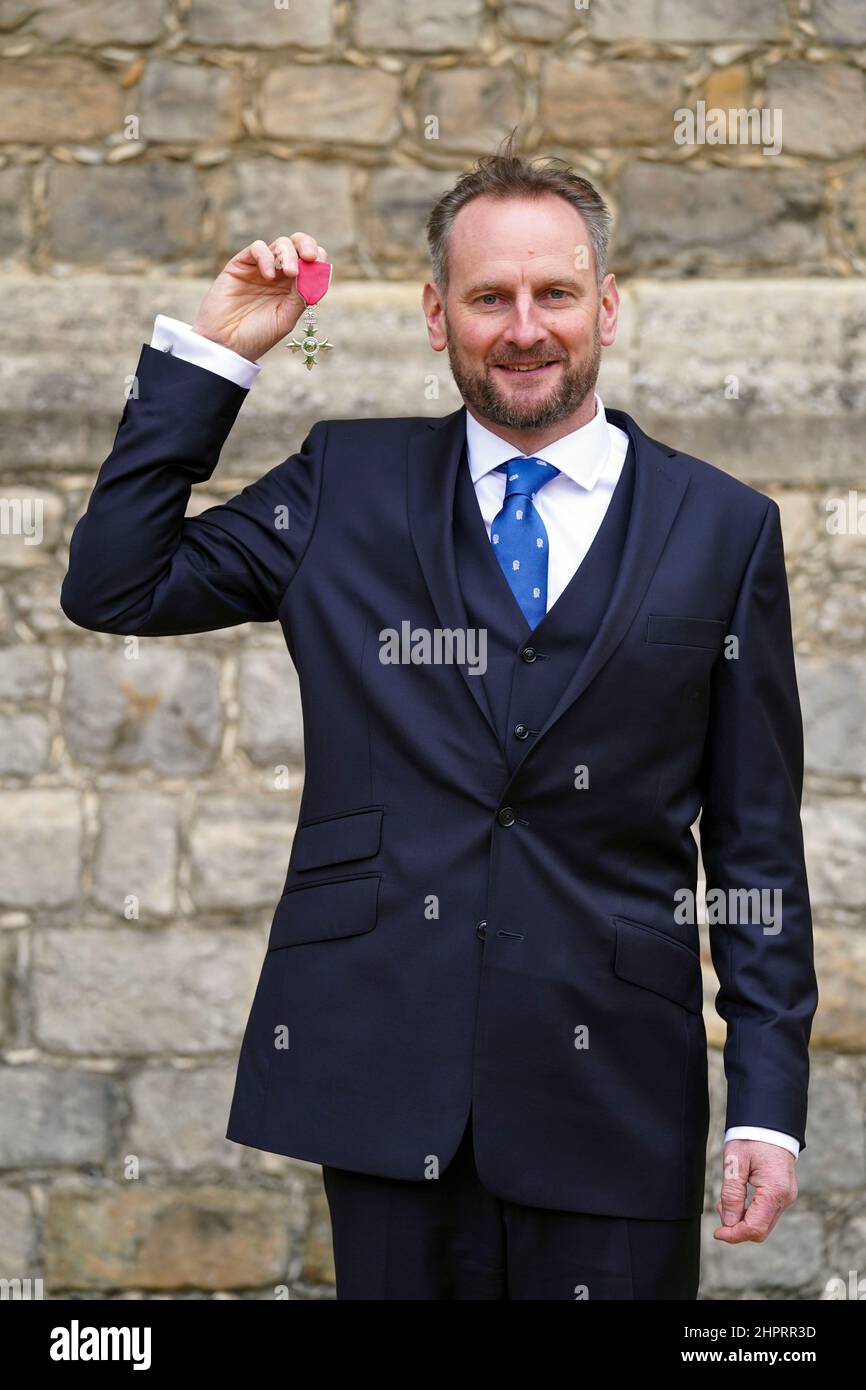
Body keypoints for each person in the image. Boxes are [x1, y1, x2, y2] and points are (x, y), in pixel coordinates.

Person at [60, 140, 818, 1300]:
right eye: (488, 298)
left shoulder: (721, 529)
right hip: (384, 1079)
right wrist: (217, 353)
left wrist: (766, 1106)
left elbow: (754, 842)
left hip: (611, 1090)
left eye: (554, 293)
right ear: (435, 314)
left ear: (605, 304)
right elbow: (115, 582)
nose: (524, 327)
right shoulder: (340, 486)